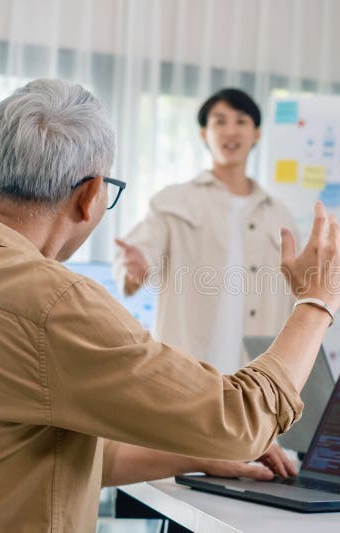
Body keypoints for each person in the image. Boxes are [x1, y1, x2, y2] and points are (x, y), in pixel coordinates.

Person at [0, 78, 340, 531]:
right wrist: (317, 300)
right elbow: (242, 420)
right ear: (91, 194)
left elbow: (54, 452)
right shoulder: (52, 303)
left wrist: (199, 454)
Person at [114, 88, 297, 374]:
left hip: (256, 378)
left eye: (241, 121)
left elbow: (294, 296)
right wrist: (134, 268)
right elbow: (139, 252)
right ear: (204, 134)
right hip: (186, 372)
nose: (230, 131)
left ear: (257, 133)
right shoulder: (174, 201)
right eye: (219, 122)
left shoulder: (280, 215)